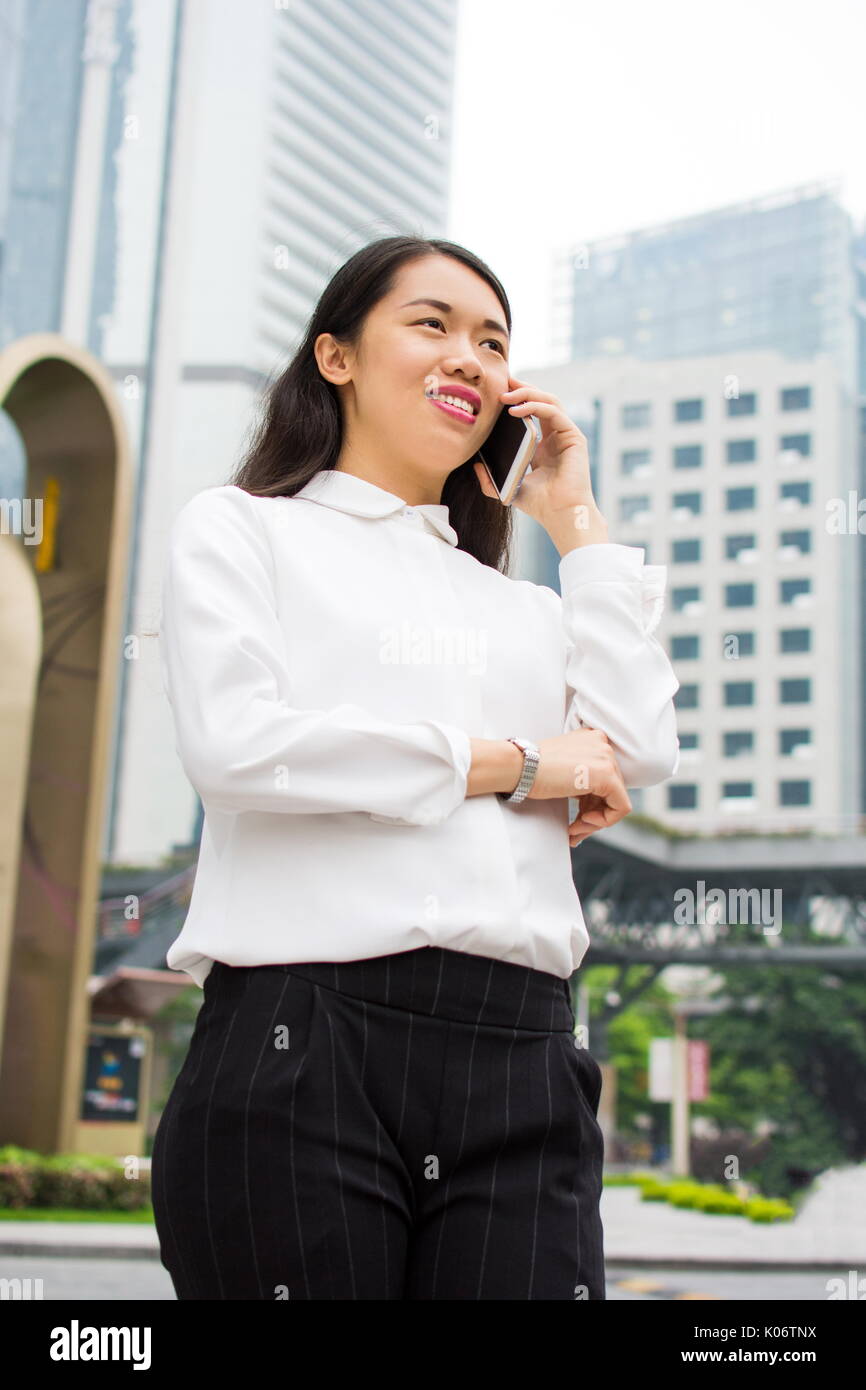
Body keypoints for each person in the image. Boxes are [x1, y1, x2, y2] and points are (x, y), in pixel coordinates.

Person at [150, 234, 680, 1300]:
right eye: (431, 325)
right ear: (335, 355)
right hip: (303, 1044)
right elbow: (243, 744)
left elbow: (637, 749)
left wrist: (573, 523)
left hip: (522, 1056)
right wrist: (520, 764)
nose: (471, 359)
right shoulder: (243, 531)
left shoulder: (526, 606)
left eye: (492, 341)